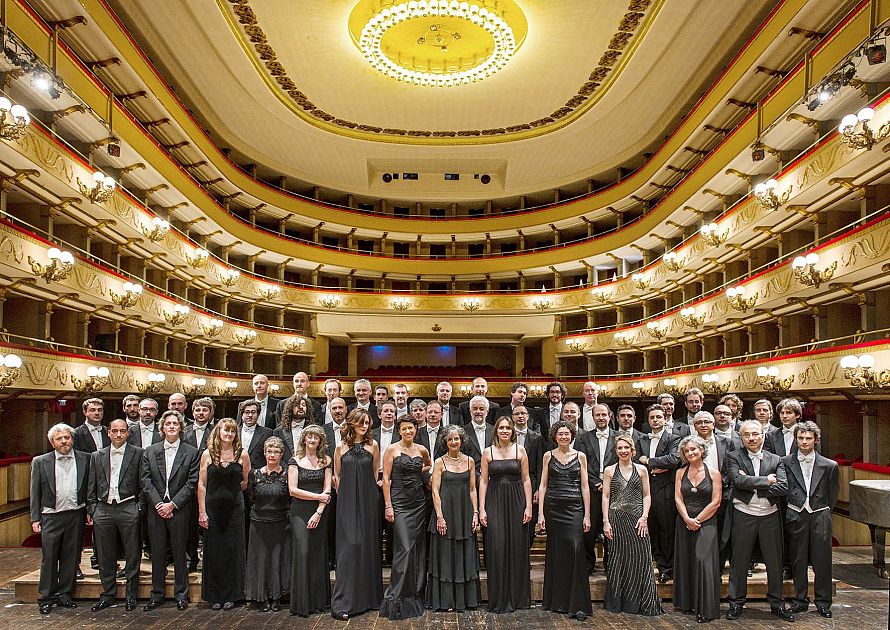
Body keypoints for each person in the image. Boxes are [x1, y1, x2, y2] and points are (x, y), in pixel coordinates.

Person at [725, 421, 793, 621]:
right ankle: (736, 603)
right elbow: (737, 482)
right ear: (741, 437)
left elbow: (782, 488)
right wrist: (766, 480)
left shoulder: (776, 459)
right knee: (739, 562)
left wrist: (751, 483)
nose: (752, 438)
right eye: (747, 435)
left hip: (769, 516)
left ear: (763, 435)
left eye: (755, 434)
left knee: (775, 562)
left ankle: (777, 604)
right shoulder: (733, 457)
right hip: (743, 514)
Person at [141, 410, 199, 611]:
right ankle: (156, 595)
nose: (172, 426)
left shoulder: (191, 452)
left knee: (179, 552)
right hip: (156, 510)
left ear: (181, 428)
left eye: (175, 423)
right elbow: (145, 481)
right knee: (157, 553)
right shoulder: (149, 451)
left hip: (179, 509)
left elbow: (191, 483)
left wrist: (172, 505)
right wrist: (159, 505)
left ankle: (181, 595)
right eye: (169, 424)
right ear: (162, 428)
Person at [30, 423, 90, 615]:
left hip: (76, 513)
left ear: (72, 439)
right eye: (59, 438)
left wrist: (89, 510)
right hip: (50, 515)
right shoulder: (40, 461)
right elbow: (35, 492)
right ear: (52, 442)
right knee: (49, 557)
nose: (64, 441)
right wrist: (35, 518)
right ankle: (47, 596)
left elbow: (89, 487)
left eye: (67, 437)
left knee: (71, 556)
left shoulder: (85, 458)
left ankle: (65, 593)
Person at [331, 409, 383, 620]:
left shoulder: (374, 445)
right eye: (361, 423)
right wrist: (345, 499)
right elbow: (337, 476)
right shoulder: (340, 447)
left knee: (368, 546)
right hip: (347, 501)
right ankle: (345, 601)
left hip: (369, 500)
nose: (364, 426)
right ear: (351, 424)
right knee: (350, 547)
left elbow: (373, 474)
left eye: (367, 423)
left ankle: (370, 599)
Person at [87, 419, 143, 612]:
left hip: (128, 507)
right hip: (103, 508)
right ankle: (108, 594)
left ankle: (131, 596)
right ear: (108, 433)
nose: (119, 434)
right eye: (115, 431)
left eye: (122, 431)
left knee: (132, 553)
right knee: (105, 554)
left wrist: (139, 508)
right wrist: (92, 508)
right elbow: (91, 484)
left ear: (128, 433)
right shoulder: (96, 455)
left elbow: (143, 483)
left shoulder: (138, 453)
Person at [602, 433, 662, 616]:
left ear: (632, 450)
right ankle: (620, 602)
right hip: (616, 519)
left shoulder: (642, 470)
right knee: (618, 560)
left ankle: (640, 602)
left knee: (640, 559)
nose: (623, 451)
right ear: (616, 450)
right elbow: (605, 496)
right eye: (619, 448)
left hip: (637, 519)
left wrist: (644, 517)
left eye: (626, 447)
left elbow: (646, 495)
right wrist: (605, 521)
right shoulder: (609, 470)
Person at [537, 421, 592, 621]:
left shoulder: (581, 456)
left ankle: (577, 604)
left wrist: (586, 515)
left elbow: (585, 487)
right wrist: (541, 514)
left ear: (572, 435)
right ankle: (557, 602)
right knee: (557, 552)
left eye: (567, 434)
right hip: (553, 508)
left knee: (576, 549)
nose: (563, 437)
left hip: (574, 508)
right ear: (555, 436)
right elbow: (543, 485)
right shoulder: (548, 456)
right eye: (560, 434)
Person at [784, 421, 838, 619]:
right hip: (796, 514)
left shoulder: (829, 465)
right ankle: (800, 600)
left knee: (822, 560)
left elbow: (832, 495)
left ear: (816, 440)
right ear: (796, 439)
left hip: (819, 515)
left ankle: (823, 602)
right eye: (801, 438)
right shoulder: (785, 461)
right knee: (797, 559)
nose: (804, 441)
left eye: (808, 438)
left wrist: (820, 510)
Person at [380, 414, 432, 620]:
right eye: (404, 429)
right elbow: (385, 479)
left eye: (411, 428)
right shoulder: (392, 449)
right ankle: (396, 594)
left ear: (415, 429)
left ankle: (414, 592)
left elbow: (428, 465)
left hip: (418, 503)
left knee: (417, 547)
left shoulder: (422, 450)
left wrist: (418, 471)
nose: (408, 431)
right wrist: (388, 506)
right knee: (405, 547)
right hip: (399, 503)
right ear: (399, 430)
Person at [478, 416, 533, 613]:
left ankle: (518, 598)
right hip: (494, 500)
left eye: (508, 428)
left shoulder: (520, 450)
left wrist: (529, 507)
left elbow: (526, 479)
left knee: (517, 546)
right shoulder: (487, 452)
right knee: (497, 546)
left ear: (512, 431)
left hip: (517, 500)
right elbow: (483, 481)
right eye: (501, 427)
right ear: (496, 431)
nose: (504, 431)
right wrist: (481, 508)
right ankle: (499, 598)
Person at [197, 418, 250, 611]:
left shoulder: (242, 454)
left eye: (232, 432)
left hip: (235, 509)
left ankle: (233, 595)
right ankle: (215, 595)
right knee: (214, 552)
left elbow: (245, 482)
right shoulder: (207, 454)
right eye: (225, 431)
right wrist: (202, 511)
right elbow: (202, 484)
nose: (229, 434)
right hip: (212, 509)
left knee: (234, 551)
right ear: (218, 432)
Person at [427, 425, 481, 611]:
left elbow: (473, 489)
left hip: (464, 512)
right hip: (446, 513)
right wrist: (440, 517)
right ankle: (447, 601)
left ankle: (465, 600)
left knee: (464, 555)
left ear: (462, 441)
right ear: (445, 442)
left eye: (456, 439)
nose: (453, 442)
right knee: (446, 557)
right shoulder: (440, 462)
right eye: (450, 439)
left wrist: (475, 513)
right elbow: (435, 491)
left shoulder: (470, 461)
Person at [673, 435, 722, 623]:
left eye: (694, 449)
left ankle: (706, 608)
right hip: (684, 520)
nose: (691, 453)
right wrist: (686, 518)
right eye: (687, 451)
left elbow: (716, 502)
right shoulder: (680, 472)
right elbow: (678, 498)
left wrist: (697, 520)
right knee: (686, 560)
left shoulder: (714, 473)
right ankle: (687, 603)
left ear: (701, 450)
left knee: (703, 560)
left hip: (706, 521)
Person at [288, 425, 333, 616]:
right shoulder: (294, 460)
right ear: (304, 439)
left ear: (321, 441)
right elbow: (293, 490)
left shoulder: (327, 460)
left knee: (318, 553)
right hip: (299, 511)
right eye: (309, 437)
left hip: (320, 513)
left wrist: (319, 512)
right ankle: (302, 603)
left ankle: (318, 602)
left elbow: (328, 490)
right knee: (303, 552)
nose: (312, 440)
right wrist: (318, 498)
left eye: (316, 437)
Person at [636, 403, 680, 582]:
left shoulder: (674, 439)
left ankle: (667, 567)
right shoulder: (642, 439)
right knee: (649, 528)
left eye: (658, 417)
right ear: (648, 420)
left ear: (665, 419)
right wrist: (656, 465)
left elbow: (673, 459)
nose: (655, 420)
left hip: (665, 490)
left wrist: (650, 462)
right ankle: (653, 562)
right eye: (652, 417)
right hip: (643, 490)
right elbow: (635, 458)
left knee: (666, 529)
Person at [246, 436, 290, 612]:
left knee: (277, 559)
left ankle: (276, 596)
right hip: (259, 523)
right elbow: (251, 498)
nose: (272, 455)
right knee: (261, 560)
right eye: (269, 451)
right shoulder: (254, 474)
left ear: (281, 454)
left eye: (276, 452)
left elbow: (290, 499)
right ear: (264, 453)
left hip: (280, 523)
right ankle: (262, 596)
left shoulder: (287, 474)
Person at [577, 402, 618, 574]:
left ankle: (611, 564)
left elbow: (623, 463)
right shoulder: (584, 438)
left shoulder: (619, 437)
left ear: (609, 416)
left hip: (615, 490)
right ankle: (588, 564)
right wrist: (597, 483)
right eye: (597, 415)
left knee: (612, 530)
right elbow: (582, 465)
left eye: (604, 414)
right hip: (592, 491)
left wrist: (609, 484)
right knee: (589, 530)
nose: (600, 418)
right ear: (592, 417)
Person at [274, 393, 317, 461]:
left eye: (303, 405)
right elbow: (276, 454)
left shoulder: (315, 430)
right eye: (297, 405)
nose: (301, 407)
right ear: (290, 408)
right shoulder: (278, 431)